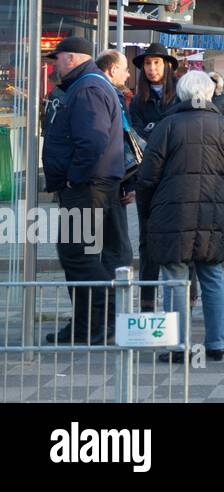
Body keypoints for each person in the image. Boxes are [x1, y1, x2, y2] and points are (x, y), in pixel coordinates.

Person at [135, 70, 224, 363]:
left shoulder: (167, 125)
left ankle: (178, 346)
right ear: (210, 94)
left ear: (182, 94)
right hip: (212, 213)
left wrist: (149, 210)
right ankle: (216, 343)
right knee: (212, 276)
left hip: (171, 214)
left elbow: (147, 177)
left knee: (175, 277)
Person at [42, 37, 124, 345]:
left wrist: (73, 178)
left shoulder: (87, 88)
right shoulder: (87, 85)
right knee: (79, 254)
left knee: (79, 255)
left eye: (58, 58)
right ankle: (85, 325)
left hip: (87, 186)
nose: (55, 64)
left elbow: (92, 140)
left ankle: (105, 320)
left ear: (72, 58)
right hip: (91, 185)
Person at [129, 42, 179, 310]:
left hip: (175, 180)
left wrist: (154, 133)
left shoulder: (181, 96)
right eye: (147, 64)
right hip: (147, 181)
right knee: (147, 243)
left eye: (156, 63)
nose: (151, 68)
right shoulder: (137, 102)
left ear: (167, 65)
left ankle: (183, 302)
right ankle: (147, 305)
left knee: (178, 241)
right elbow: (135, 139)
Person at [95, 50, 136, 273]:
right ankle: (112, 306)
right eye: (125, 70)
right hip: (109, 181)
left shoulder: (88, 89)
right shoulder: (111, 94)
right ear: (112, 70)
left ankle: (97, 305)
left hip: (93, 182)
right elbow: (123, 141)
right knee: (118, 250)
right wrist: (128, 183)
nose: (128, 75)